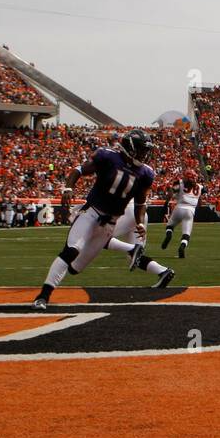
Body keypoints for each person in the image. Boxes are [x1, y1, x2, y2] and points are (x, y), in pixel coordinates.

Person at [32, 129, 171, 311]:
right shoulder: (108, 157)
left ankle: (132, 249)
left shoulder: (145, 173)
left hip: (109, 224)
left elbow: (140, 203)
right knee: (71, 250)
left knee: (75, 268)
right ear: (130, 148)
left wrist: (138, 222)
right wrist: (68, 188)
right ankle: (43, 296)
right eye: (142, 149)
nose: (145, 154)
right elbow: (79, 170)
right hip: (91, 213)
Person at [162, 169, 203, 258]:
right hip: (190, 210)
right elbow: (200, 202)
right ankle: (182, 247)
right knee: (186, 233)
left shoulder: (179, 183)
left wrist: (166, 202)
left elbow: (171, 192)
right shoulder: (200, 187)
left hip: (179, 208)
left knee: (170, 226)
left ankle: (169, 235)